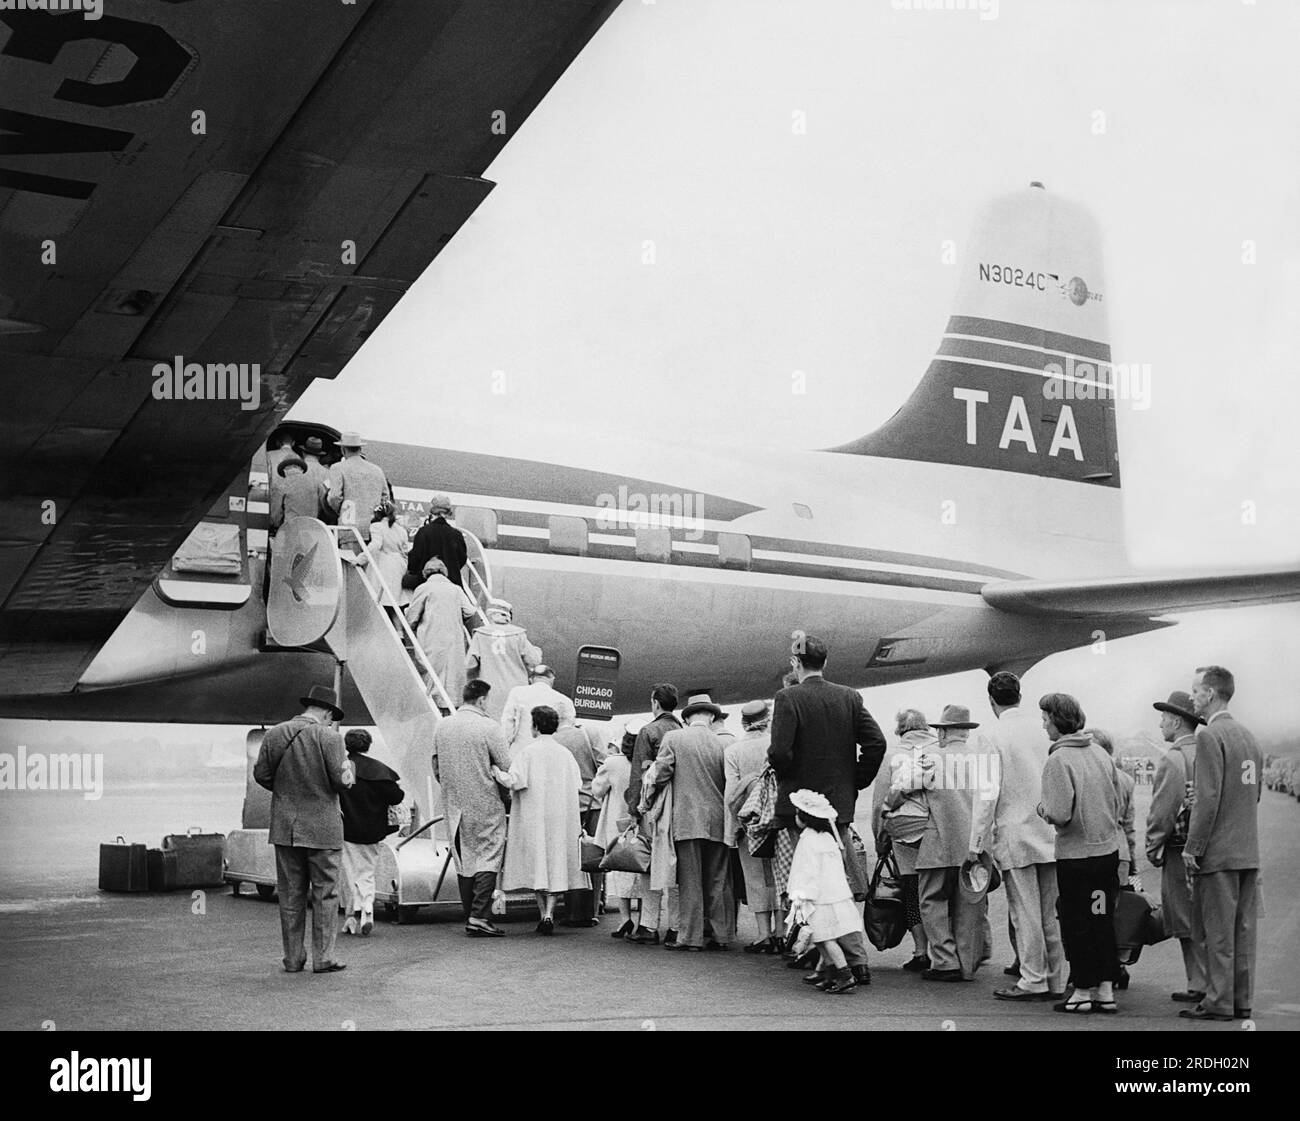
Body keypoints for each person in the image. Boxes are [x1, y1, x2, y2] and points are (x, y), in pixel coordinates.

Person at [768, 634, 886, 985]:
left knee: (807, 885)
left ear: (795, 663)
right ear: (825, 663)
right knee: (837, 885)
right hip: (839, 808)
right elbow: (876, 742)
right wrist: (855, 781)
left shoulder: (788, 697)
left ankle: (834, 961)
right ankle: (854, 960)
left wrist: (788, 776)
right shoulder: (849, 697)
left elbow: (779, 752)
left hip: (800, 809)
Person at [969, 671, 1065, 1002]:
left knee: (1023, 912)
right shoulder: (1044, 731)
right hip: (1050, 831)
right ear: (1019, 696)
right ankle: (1055, 978)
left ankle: (1032, 979)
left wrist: (975, 842)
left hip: (1015, 833)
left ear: (992, 700)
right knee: (1049, 911)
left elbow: (986, 793)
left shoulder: (990, 736)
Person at [1180, 665, 1263, 1022]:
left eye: (1196, 690)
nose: (1193, 697)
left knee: (1217, 932)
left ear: (1210, 694)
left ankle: (1218, 1001)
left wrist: (1192, 847)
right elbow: (1253, 794)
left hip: (1219, 853)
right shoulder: (1249, 736)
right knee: (1243, 933)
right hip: (1247, 849)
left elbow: (1208, 798)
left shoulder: (1209, 736)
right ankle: (1241, 1000)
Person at [253, 685, 354, 974]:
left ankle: (293, 958)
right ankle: (323, 958)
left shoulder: (275, 734)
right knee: (325, 894)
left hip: (285, 827)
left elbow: (261, 774)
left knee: (291, 894)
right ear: (326, 712)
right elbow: (342, 780)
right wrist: (349, 776)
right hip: (323, 828)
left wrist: (285, 790)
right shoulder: (330, 737)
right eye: (331, 716)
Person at [1037, 692, 1121, 1014]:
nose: (1043, 725)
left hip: (1076, 859)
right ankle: (1105, 989)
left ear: (1058, 720)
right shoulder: (1100, 753)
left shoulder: (1058, 759)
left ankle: (1082, 991)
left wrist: (1042, 809)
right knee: (1101, 917)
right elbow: (1116, 800)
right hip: (1106, 855)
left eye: (1045, 718)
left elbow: (1060, 813)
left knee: (1077, 922)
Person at [650, 693, 735, 951]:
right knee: (719, 879)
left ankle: (690, 937)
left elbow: (661, 774)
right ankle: (721, 936)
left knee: (690, 881)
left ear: (686, 718)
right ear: (711, 717)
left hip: (686, 820)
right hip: (719, 820)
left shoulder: (674, 739)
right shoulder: (723, 744)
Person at [495, 706, 587, 933]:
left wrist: (496, 771)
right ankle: (550, 914)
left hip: (534, 816)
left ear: (535, 726)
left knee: (538, 863)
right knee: (555, 863)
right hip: (560, 817)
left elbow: (515, 781)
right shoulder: (565, 754)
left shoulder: (527, 752)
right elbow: (577, 784)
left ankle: (542, 914)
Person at [433, 678, 513, 937]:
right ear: (481, 699)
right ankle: (479, 915)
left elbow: (436, 765)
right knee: (488, 856)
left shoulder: (442, 726)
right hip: (486, 801)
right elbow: (506, 764)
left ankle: (471, 914)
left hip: (454, 804)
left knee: (464, 858)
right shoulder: (489, 727)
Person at [916, 705, 989, 981]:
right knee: (970, 904)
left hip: (940, 840)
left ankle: (945, 960)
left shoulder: (931, 757)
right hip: (975, 844)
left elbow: (906, 786)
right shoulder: (982, 759)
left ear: (944, 731)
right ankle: (967, 964)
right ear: (967, 732)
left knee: (932, 899)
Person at [1146, 689, 1208, 1004]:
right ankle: (1209, 981)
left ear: (1175, 720)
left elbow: (1162, 812)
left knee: (1184, 918)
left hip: (1179, 849)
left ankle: (1198, 983)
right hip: (1210, 847)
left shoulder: (1173, 758)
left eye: (1163, 718)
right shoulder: (1211, 751)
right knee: (1208, 916)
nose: (1160, 725)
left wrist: (1153, 848)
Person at [873, 708, 936, 971]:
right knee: (939, 891)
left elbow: (879, 804)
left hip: (903, 833)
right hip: (935, 830)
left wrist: (880, 837)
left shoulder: (892, 756)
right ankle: (948, 950)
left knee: (912, 891)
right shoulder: (939, 751)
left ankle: (921, 951)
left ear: (900, 729)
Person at [787, 789, 866, 995]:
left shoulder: (809, 841)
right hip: (835, 895)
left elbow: (808, 871)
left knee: (825, 938)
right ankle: (831, 974)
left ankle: (844, 975)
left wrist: (801, 896)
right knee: (823, 938)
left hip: (819, 898)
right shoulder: (828, 839)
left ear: (805, 818)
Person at [623, 683, 683, 944]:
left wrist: (635, 808)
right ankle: (677, 926)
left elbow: (639, 774)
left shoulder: (648, 731)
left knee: (648, 867)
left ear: (655, 703)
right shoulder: (682, 730)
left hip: (653, 807)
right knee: (676, 869)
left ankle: (648, 925)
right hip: (679, 807)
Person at [725, 700, 781, 953]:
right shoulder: (776, 744)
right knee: (779, 875)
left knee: (755, 877)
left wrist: (732, 829)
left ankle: (763, 934)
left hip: (749, 821)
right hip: (778, 819)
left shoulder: (734, 751)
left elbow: (731, 794)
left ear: (743, 723)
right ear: (767, 719)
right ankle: (782, 931)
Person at [338, 729, 403, 937]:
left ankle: (354, 913)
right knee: (366, 871)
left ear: (347, 745)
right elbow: (396, 796)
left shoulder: (342, 768)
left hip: (346, 829)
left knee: (350, 872)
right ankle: (366, 908)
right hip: (373, 830)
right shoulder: (378, 770)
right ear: (368, 745)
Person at [554, 714, 608, 926]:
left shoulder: (554, 739)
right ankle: (593, 909)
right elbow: (603, 765)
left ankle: (573, 911)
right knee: (593, 857)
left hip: (565, 805)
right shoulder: (589, 733)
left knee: (569, 860)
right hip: (591, 804)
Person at [592, 719, 643, 939]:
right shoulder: (647, 763)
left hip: (617, 825)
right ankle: (642, 920)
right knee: (641, 871)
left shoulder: (612, 763)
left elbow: (598, 790)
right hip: (641, 826)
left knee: (620, 870)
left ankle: (625, 919)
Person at [404, 559, 476, 708]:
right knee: (452, 678)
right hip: (454, 640)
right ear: (444, 572)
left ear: (425, 573)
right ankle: (451, 708)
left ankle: (433, 709)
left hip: (431, 638)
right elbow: (470, 611)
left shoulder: (424, 588)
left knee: (432, 676)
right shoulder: (456, 588)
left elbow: (411, 618)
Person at [465, 600, 542, 721]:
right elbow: (534, 661)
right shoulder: (518, 634)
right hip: (517, 690)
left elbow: (470, 664)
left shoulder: (480, 635)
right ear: (508, 616)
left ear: (491, 614)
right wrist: (537, 651)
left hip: (490, 691)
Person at [500, 664, 576, 761]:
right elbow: (566, 733)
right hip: (549, 756)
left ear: (531, 679)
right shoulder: (564, 701)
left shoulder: (517, 693)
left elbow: (507, 724)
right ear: (552, 679)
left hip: (519, 753)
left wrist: (505, 751)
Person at [326, 431, 389, 547]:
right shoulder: (377, 470)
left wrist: (341, 510)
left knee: (350, 563)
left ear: (343, 449)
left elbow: (334, 496)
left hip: (349, 528)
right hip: (374, 529)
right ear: (360, 449)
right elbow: (385, 498)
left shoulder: (338, 468)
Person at [407, 494, 469, 590]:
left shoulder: (423, 532)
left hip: (427, 585)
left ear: (432, 510)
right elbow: (462, 559)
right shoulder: (457, 534)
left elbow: (415, 559)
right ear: (448, 512)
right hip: (453, 586)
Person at [368, 500, 411, 609]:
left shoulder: (376, 526)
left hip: (384, 566)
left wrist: (361, 558)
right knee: (396, 605)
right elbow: (405, 552)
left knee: (382, 603)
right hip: (400, 566)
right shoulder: (402, 530)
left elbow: (375, 545)